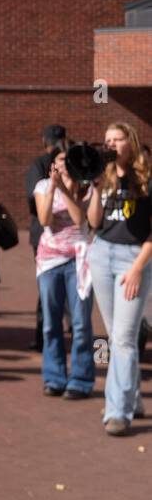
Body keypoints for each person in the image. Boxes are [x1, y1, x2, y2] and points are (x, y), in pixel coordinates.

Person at [85, 122, 152, 435]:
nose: (111, 144)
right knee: (117, 337)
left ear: (131, 142)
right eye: (107, 139)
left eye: (117, 139)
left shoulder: (146, 176)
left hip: (133, 259)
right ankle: (134, 398)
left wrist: (138, 266)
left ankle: (118, 411)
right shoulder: (104, 175)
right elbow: (94, 222)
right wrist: (96, 187)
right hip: (102, 253)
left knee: (124, 338)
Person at [31, 141, 93, 399]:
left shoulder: (86, 187)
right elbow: (44, 219)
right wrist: (54, 186)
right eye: (59, 160)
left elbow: (82, 220)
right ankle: (54, 377)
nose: (63, 165)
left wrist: (67, 191)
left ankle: (80, 379)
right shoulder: (43, 187)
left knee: (80, 324)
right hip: (49, 262)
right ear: (52, 165)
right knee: (50, 323)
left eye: (67, 160)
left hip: (80, 260)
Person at [26, 125, 68, 351]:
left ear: (45, 140)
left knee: (50, 290)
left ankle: (49, 335)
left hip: (61, 236)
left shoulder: (39, 163)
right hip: (44, 235)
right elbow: (34, 199)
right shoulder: (41, 166)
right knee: (49, 289)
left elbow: (30, 199)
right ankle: (44, 336)